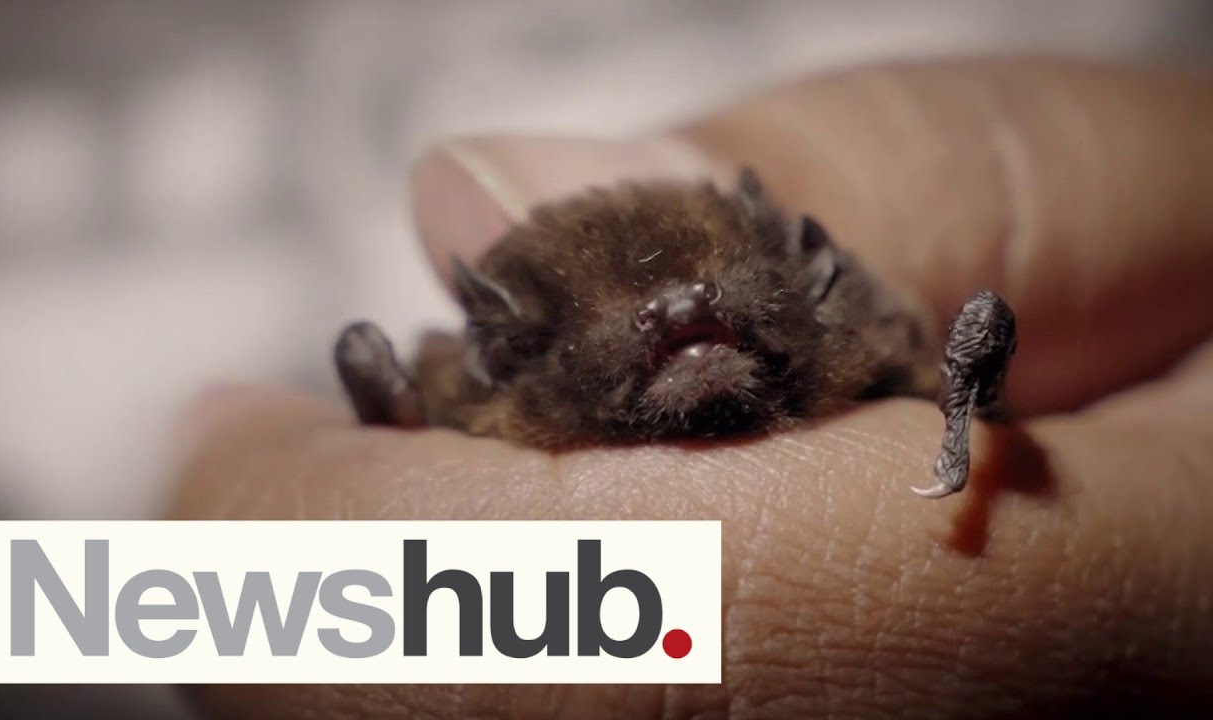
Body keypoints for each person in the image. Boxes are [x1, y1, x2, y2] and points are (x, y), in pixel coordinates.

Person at [171, 57, 1213, 717]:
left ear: (802, 268)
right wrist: (121, 604)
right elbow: (116, 612)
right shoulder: (471, 397)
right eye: (628, 318)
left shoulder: (867, 315)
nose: (676, 316)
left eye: (716, 290)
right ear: (495, 361)